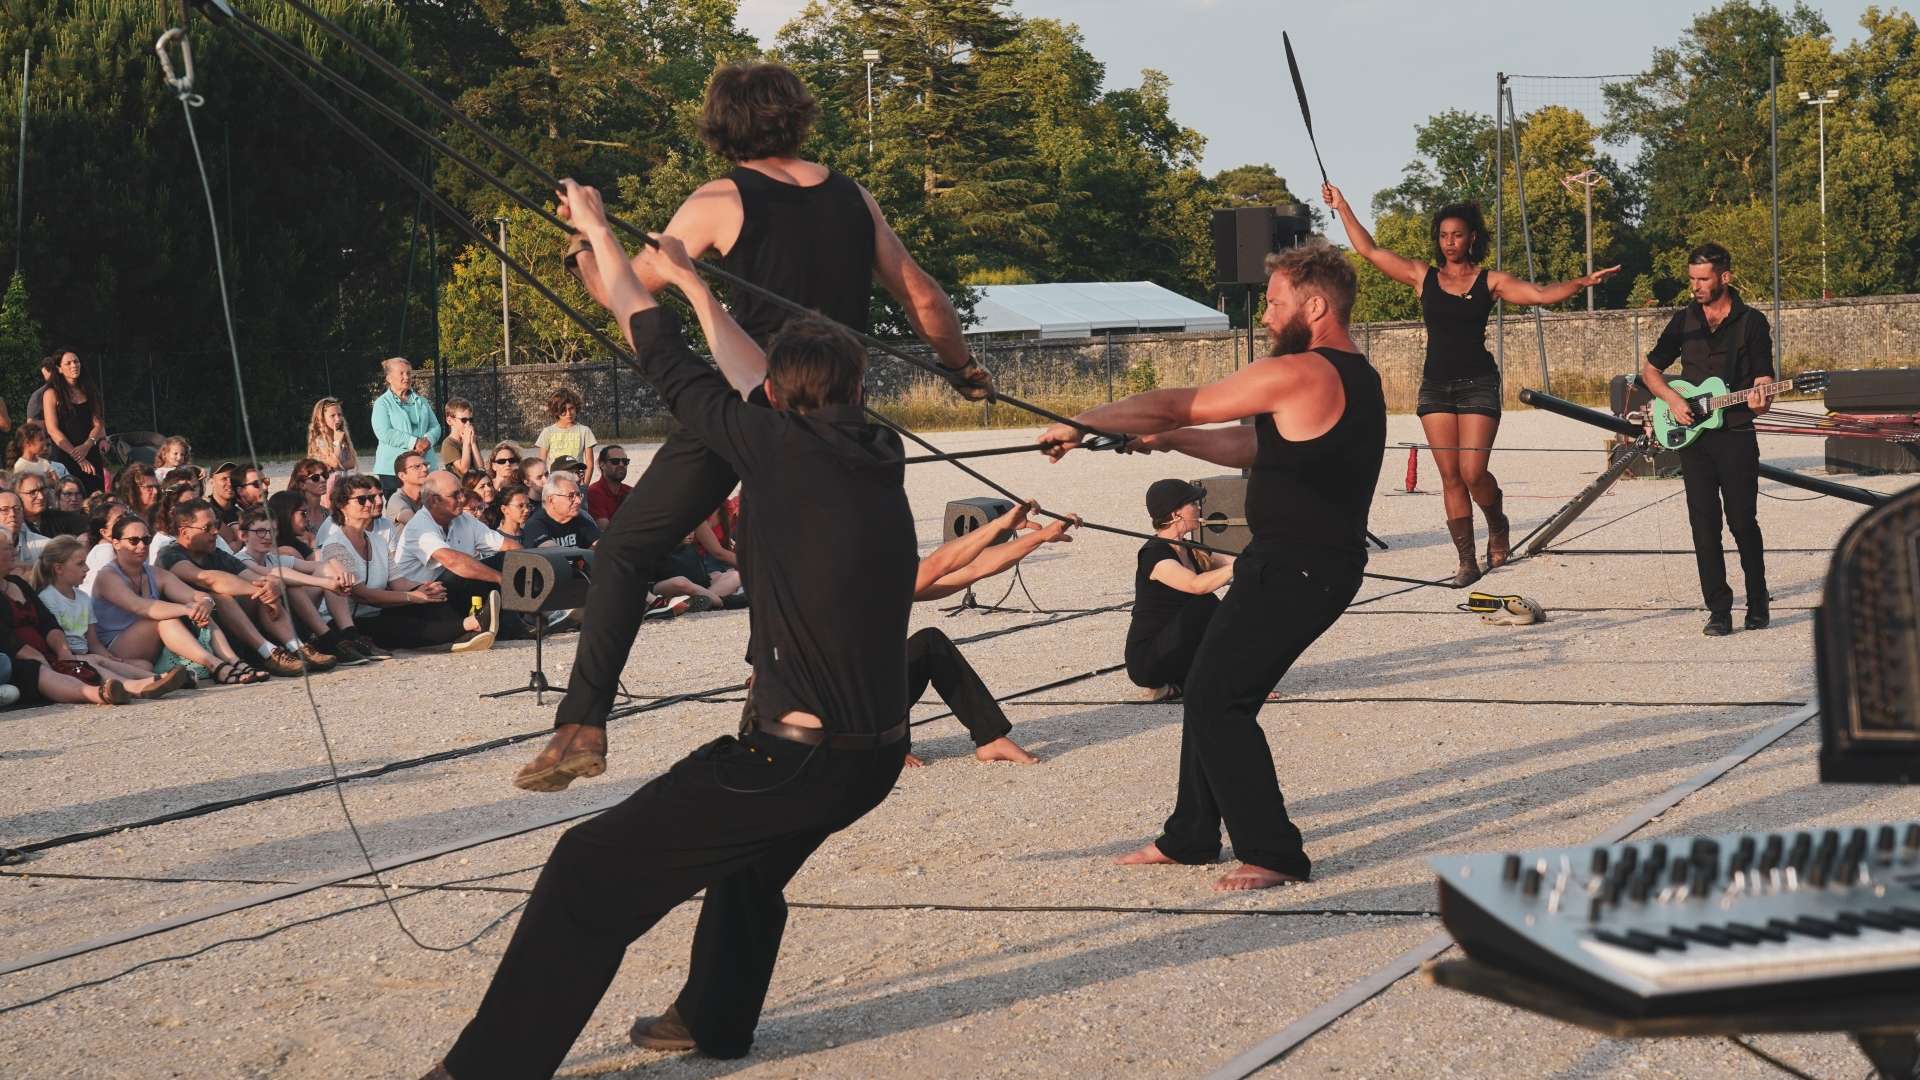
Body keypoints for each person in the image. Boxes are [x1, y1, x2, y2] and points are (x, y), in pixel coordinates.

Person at [424, 175, 920, 1079]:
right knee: (748, 863)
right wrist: (694, 284)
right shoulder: (874, 449)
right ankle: (717, 1019)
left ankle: (484, 1071)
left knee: (585, 871)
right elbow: (741, 365)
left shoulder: (765, 444)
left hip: (798, 760)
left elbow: (646, 334)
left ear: (773, 400)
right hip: (871, 760)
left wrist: (602, 232)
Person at [519, 60, 991, 788]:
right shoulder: (852, 196)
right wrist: (961, 369)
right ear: (798, 115)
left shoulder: (718, 198)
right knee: (797, 568)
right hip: (836, 407)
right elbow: (924, 297)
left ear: (719, 124)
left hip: (748, 404)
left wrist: (585, 239)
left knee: (627, 550)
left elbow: (627, 294)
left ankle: (582, 726)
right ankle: (793, 720)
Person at [1038, 242, 1385, 891]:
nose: (1267, 314)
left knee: (1217, 698)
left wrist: (1079, 422)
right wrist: (1168, 441)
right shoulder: (1352, 375)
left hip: (1299, 566)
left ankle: (1274, 851)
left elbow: (1179, 401)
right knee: (1209, 685)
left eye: (1276, 302)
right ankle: (1191, 835)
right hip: (1296, 561)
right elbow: (1252, 443)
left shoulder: (1305, 369)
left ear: (1314, 305)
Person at [1323, 185, 1617, 586]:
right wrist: (1343, 206)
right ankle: (1466, 561)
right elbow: (1371, 251)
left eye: (1457, 235)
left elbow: (1540, 295)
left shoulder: (1489, 281)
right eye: (1443, 235)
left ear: (1472, 237)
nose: (1449, 243)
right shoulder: (1421, 276)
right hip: (1435, 387)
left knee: (1473, 471)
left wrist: (1580, 283)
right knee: (1450, 477)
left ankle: (1497, 522)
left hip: (1478, 383)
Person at [1639, 242, 1775, 636]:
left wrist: (1761, 395)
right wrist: (1673, 400)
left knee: (1743, 521)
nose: (1695, 286)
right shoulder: (1684, 321)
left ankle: (1758, 600)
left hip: (1735, 434)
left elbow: (1764, 377)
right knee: (1703, 525)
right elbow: (1650, 371)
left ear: (1725, 278)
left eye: (1703, 279)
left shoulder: (1752, 323)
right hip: (1694, 437)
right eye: (1692, 279)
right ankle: (1718, 609)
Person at [902, 498, 1078, 767]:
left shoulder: (886, 572)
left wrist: (1040, 536)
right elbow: (937, 564)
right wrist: (998, 525)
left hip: (870, 691)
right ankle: (877, 742)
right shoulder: (847, 575)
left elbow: (974, 567)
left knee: (930, 643)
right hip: (838, 705)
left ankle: (990, 739)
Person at [157, 500, 338, 677]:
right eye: (207, 527)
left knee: (262, 589)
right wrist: (259, 589)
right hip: (189, 634)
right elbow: (208, 579)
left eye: (217, 524)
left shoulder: (216, 554)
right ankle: (268, 653)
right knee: (223, 597)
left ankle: (297, 647)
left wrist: (269, 585)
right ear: (185, 532)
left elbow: (252, 577)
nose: (215, 532)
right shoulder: (170, 554)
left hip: (227, 630)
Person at [85, 513, 266, 685]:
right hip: (115, 647)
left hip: (146, 652)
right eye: (133, 541)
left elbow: (194, 595)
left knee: (201, 612)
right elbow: (141, 607)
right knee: (165, 620)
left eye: (146, 540)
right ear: (116, 543)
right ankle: (216, 666)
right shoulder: (107, 576)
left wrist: (205, 602)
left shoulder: (155, 573)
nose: (141, 546)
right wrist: (188, 609)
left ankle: (234, 661)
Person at [318, 473, 488, 654]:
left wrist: (425, 588)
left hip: (379, 612)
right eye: (361, 500)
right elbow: (362, 595)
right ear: (342, 506)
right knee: (400, 625)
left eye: (371, 498)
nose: (370, 503)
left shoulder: (377, 541)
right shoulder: (335, 545)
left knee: (436, 595)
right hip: (352, 622)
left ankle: (466, 631)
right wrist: (413, 596)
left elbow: (399, 583)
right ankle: (467, 627)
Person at [33, 537, 190, 696]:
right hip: (65, 660)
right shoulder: (47, 598)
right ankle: (135, 686)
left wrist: (111, 658)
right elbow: (57, 644)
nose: (87, 569)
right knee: (95, 661)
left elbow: (93, 643)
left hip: (87, 654)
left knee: (141, 665)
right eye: (80, 564)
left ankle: (159, 679)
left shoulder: (82, 598)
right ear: (58, 568)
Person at [1121, 480, 1236, 697]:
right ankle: (1234, 682)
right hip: (1149, 658)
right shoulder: (1154, 555)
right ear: (1176, 514)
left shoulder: (1192, 549)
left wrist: (1261, 558)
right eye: (1193, 503)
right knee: (1204, 604)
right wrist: (1240, 567)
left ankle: (1174, 688)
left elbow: (1233, 563)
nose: (1199, 508)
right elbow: (1196, 585)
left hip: (1178, 647)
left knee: (1232, 603)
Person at [0, 526, 133, 705]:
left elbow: (48, 623)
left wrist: (62, 650)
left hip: (47, 654)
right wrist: (40, 658)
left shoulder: (17, 583)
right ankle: (99, 694)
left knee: (93, 659)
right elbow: (7, 640)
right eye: (8, 548)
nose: (15, 552)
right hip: (19, 661)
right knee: (37, 669)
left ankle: (143, 683)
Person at [234, 506, 370, 664]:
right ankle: (328, 639)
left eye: (272, 531)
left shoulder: (273, 557)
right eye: (260, 531)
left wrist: (338, 571)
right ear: (243, 535)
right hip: (259, 626)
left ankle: (349, 633)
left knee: (325, 572)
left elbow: (321, 566)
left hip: (284, 618)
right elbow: (272, 574)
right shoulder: (240, 559)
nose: (267, 536)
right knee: (291, 583)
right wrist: (326, 583)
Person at [389, 470, 520, 625]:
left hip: (446, 593)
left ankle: (522, 617)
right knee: (463, 571)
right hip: (419, 601)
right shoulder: (419, 526)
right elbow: (454, 562)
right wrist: (500, 578)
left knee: (508, 559)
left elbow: (509, 546)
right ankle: (494, 624)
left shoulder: (464, 519)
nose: (462, 499)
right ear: (433, 501)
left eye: (462, 493)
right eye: (455, 495)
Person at [370, 357, 441, 495]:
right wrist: (414, 442)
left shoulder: (421, 401)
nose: (406, 377)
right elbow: (384, 432)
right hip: (393, 469)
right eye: (401, 373)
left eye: (408, 373)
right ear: (389, 378)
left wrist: (428, 440)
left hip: (424, 465)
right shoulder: (382, 403)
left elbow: (436, 427)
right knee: (399, 510)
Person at [41, 349, 108, 494]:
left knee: (96, 497)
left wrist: (87, 445)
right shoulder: (51, 394)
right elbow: (52, 429)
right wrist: (77, 456)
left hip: (90, 451)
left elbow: (98, 424)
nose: (74, 365)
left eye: (76, 361)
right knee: (71, 497)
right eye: (68, 363)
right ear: (59, 368)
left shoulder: (89, 390)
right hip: (65, 454)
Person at [534, 388, 597, 486]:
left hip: (577, 480)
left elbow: (590, 463)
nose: (568, 413)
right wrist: (545, 484)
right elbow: (542, 462)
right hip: (555, 481)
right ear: (556, 411)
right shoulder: (548, 432)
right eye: (563, 410)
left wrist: (585, 485)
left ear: (576, 407)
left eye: (571, 408)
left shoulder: (584, 431)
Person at [522, 473, 602, 550]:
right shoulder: (535, 525)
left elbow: (603, 545)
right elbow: (554, 553)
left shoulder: (580, 520)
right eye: (571, 496)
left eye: (578, 495)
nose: (578, 501)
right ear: (551, 500)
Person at [307, 396, 358, 472]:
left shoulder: (341, 436)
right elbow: (334, 463)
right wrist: (337, 443)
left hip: (342, 481)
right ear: (322, 418)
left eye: (339, 415)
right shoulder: (320, 440)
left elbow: (352, 463)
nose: (338, 419)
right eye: (332, 416)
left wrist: (336, 467)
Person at [585, 444, 630, 527]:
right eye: (615, 461)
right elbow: (605, 529)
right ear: (602, 464)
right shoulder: (594, 492)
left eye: (625, 461)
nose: (621, 465)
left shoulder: (631, 491)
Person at [439, 397, 484, 477]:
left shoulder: (471, 438)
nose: (468, 423)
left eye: (470, 420)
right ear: (450, 421)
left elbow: (480, 468)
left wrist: (473, 443)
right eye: (464, 420)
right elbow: (464, 470)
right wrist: (466, 443)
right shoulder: (448, 443)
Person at [10, 421, 66, 485]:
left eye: (44, 439)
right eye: (41, 439)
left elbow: (56, 481)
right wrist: (46, 481)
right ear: (28, 443)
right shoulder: (21, 466)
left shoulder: (44, 462)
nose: (44, 442)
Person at [386, 450, 431, 526]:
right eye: (417, 466)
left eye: (425, 465)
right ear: (402, 476)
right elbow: (415, 524)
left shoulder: (427, 496)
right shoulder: (396, 500)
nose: (425, 469)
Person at [205, 462, 243, 545]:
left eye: (232, 479)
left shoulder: (242, 510)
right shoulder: (206, 512)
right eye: (224, 479)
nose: (230, 483)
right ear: (212, 482)